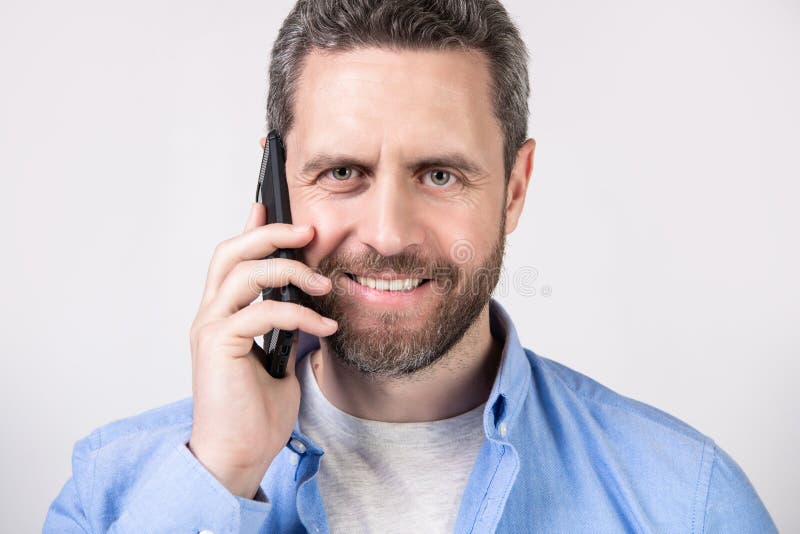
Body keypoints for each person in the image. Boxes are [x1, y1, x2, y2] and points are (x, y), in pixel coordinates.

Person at [44, 0, 777, 532]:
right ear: (274, 185)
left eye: (439, 175)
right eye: (341, 172)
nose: (389, 234)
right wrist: (218, 471)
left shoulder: (689, 503)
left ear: (515, 189)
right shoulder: (116, 495)